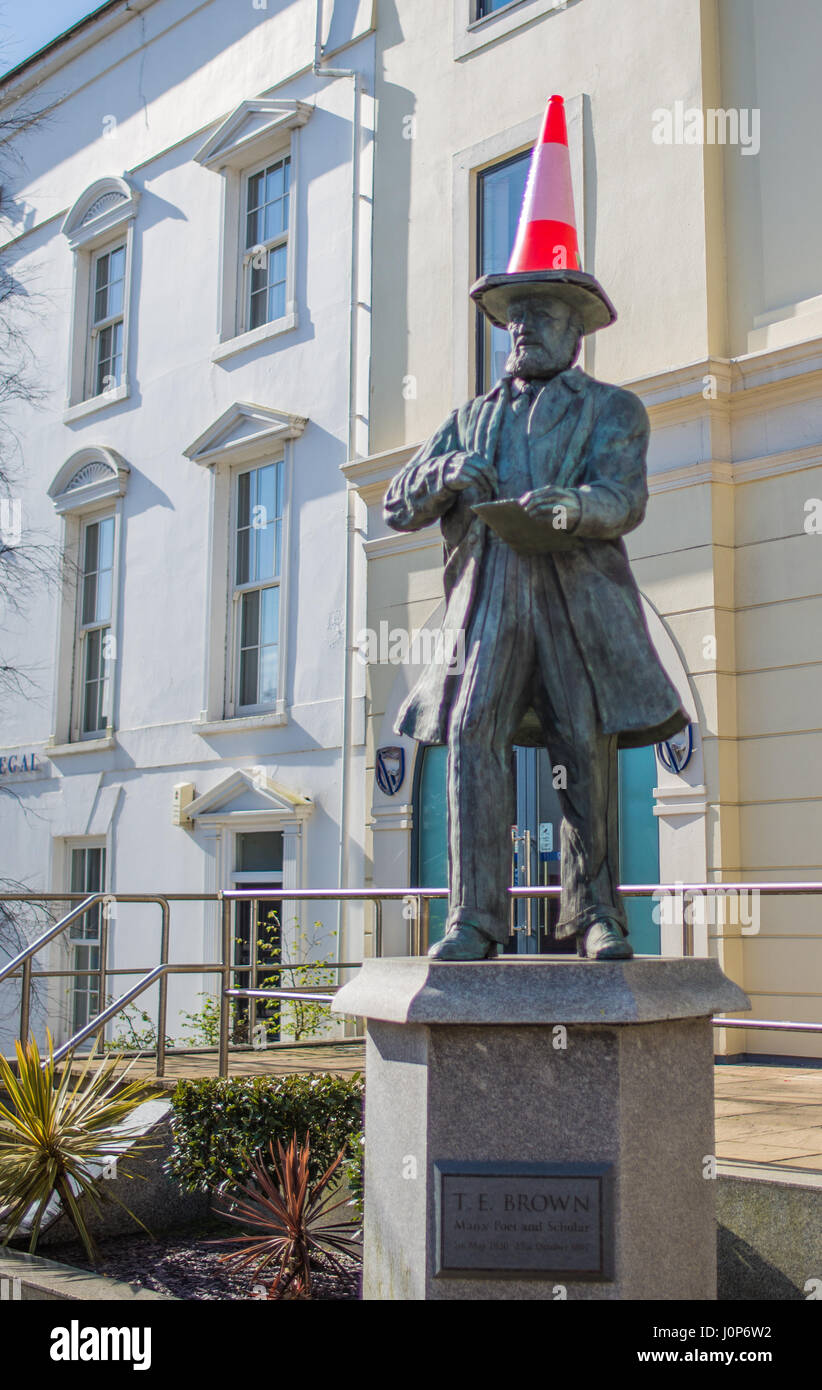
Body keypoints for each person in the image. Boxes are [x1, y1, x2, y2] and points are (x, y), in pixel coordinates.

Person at [384, 278, 689, 962]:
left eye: (540, 315)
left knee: (581, 746)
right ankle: (474, 918)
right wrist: (447, 473)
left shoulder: (612, 409)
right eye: (514, 317)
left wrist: (574, 507)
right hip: (489, 602)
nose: (522, 328)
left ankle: (595, 915)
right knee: (468, 736)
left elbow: (623, 497)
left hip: (571, 601)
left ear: (575, 333)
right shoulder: (468, 419)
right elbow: (395, 503)